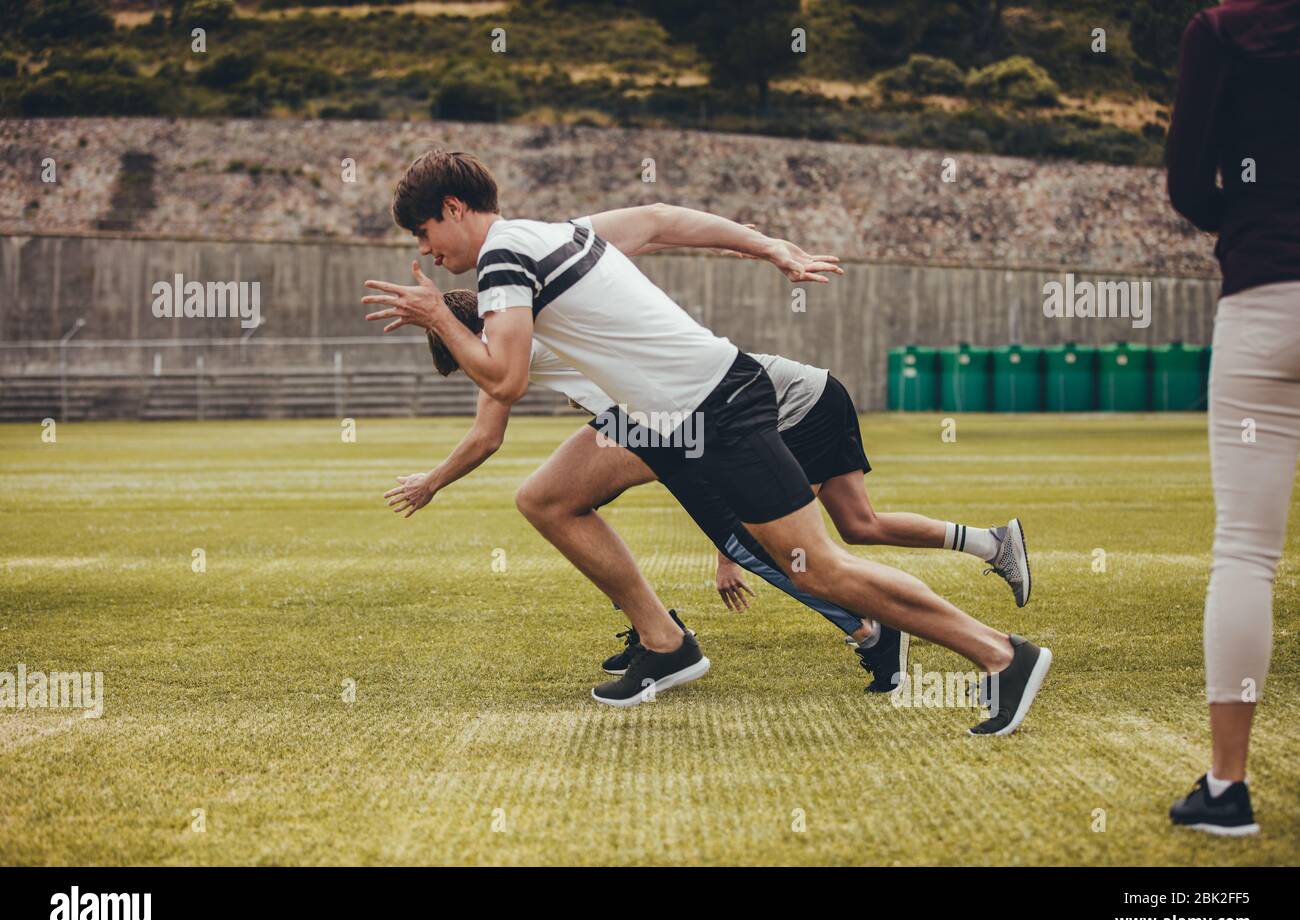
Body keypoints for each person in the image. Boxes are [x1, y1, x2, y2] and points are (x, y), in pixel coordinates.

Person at [363, 150, 1052, 734]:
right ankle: (665, 643)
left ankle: (999, 654)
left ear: (454, 208)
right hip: (691, 412)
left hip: (715, 409)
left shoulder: (505, 258)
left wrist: (437, 316)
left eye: (425, 233)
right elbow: (662, 222)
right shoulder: (552, 233)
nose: (426, 251)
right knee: (549, 498)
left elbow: (504, 379)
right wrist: (768, 246)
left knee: (825, 567)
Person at [1166, 0, 1300, 836]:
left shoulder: (1221, 31)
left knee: (1247, 551)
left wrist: (1247, 226)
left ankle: (1227, 788)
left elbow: (1187, 183)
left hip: (1266, 298)